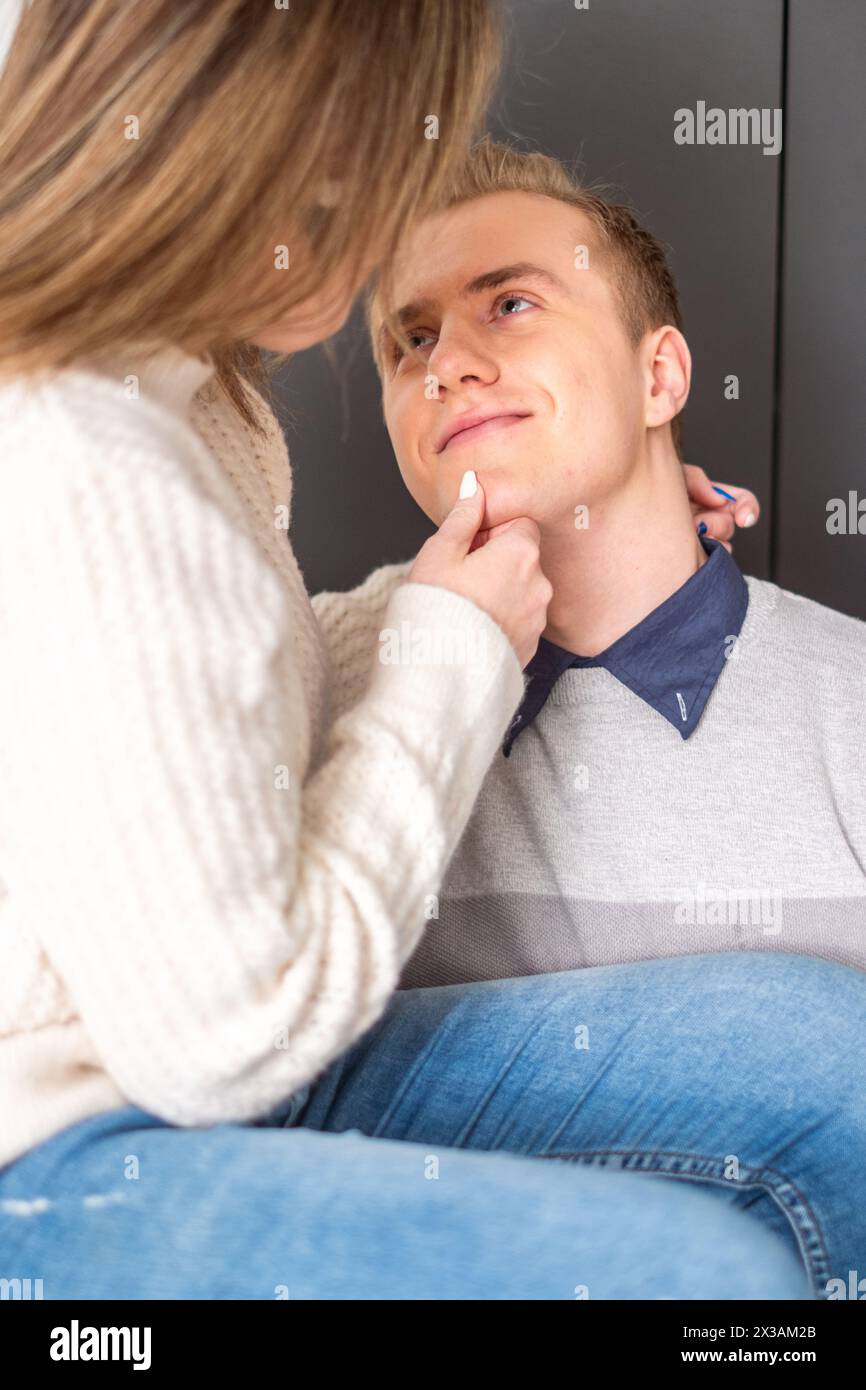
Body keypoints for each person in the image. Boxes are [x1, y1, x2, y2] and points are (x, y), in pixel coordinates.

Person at [0, 0, 820, 1301]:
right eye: (410, 336)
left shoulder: (183, 395)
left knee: (828, 1057)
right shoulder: (85, 458)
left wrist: (460, 602)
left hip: (189, 1054)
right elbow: (221, 1038)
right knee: (702, 1279)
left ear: (660, 377)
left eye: (510, 301)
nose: (447, 362)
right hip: (74, 1133)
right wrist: (451, 646)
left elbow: (186, 685)